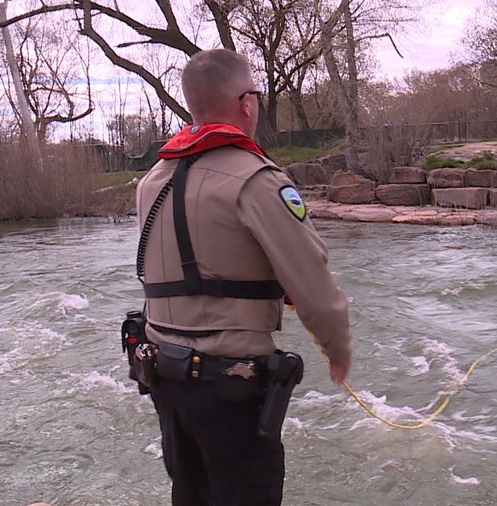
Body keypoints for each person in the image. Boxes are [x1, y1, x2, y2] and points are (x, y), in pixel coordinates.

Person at [134, 49, 353, 506]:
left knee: (190, 494)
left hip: (164, 375)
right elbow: (313, 283)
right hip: (228, 386)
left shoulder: (152, 180)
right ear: (246, 102)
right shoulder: (257, 179)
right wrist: (338, 353)